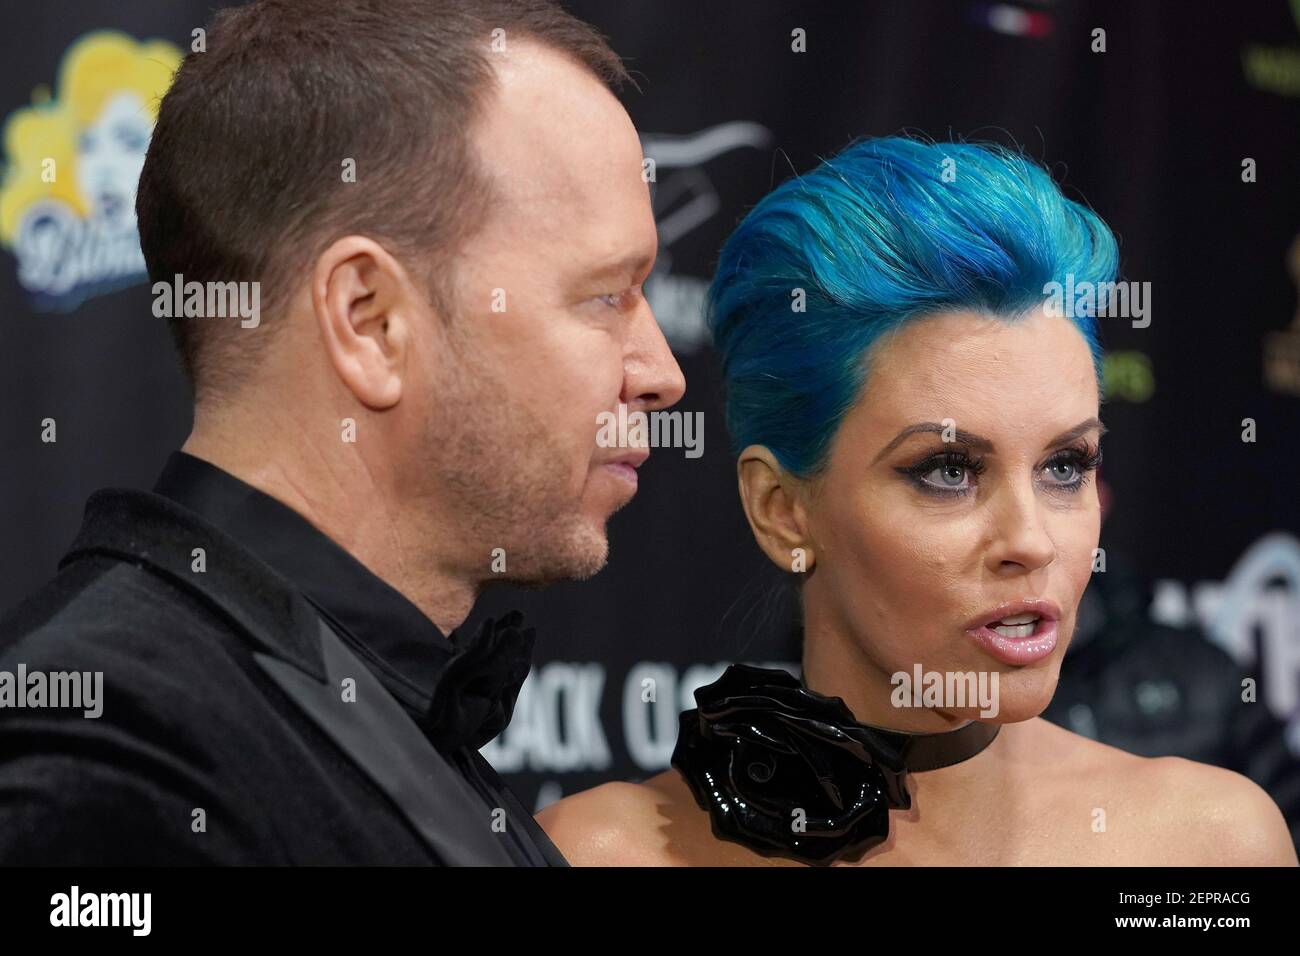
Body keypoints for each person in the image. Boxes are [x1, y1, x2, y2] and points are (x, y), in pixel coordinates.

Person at [0, 0, 683, 864]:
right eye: (606, 296)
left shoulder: (381, 710)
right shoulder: (112, 756)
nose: (663, 372)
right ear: (369, 323)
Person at [535, 136, 1297, 866]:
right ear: (781, 509)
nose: (1030, 541)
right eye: (947, 470)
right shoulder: (599, 854)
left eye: (1065, 465)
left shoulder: (1211, 845)